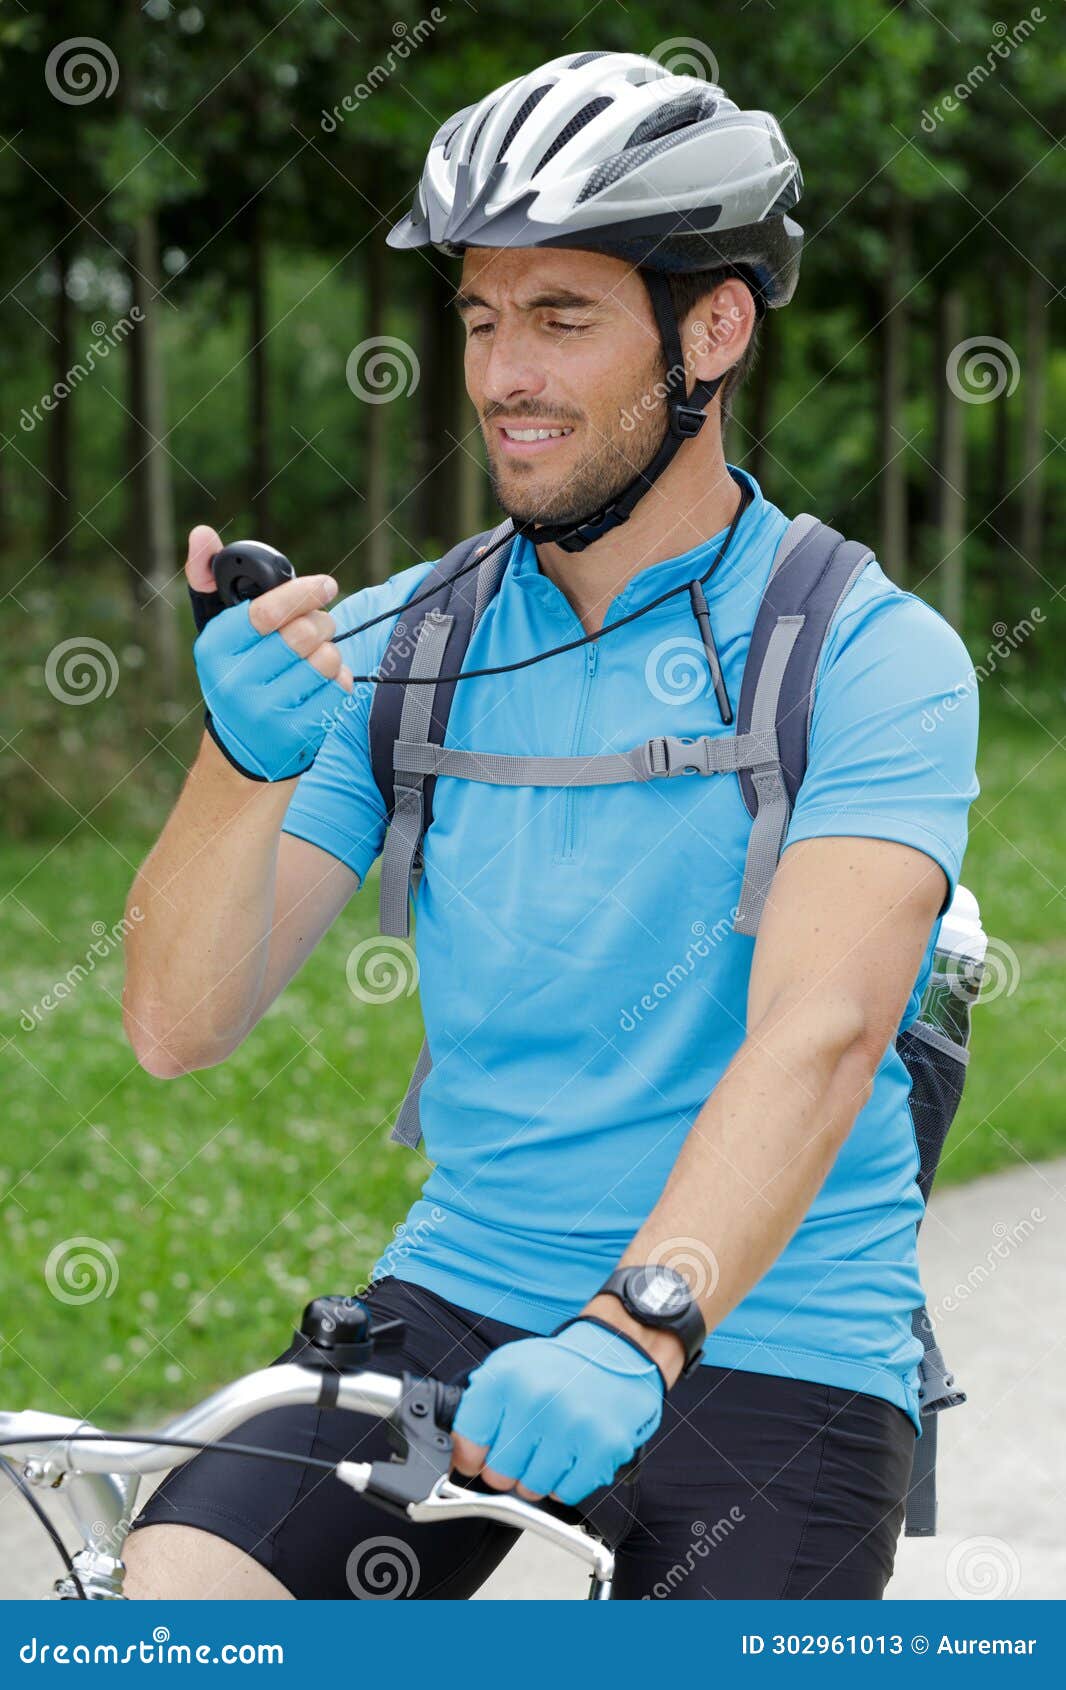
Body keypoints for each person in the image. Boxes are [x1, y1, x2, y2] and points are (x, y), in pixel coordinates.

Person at [121, 51, 978, 1600]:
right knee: (179, 1603)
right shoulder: (398, 644)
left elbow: (824, 1029)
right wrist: (235, 766)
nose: (504, 371)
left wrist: (633, 1324)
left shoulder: (865, 649)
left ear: (710, 329)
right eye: (480, 318)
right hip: (460, 1293)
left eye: (561, 317)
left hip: (772, 1329)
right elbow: (179, 1022)